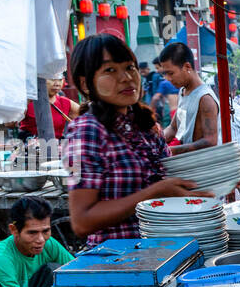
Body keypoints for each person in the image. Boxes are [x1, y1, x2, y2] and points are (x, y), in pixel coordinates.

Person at [63, 34, 202, 246]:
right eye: (110, 70)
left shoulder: (145, 126)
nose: (126, 77)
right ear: (85, 82)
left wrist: (213, 181)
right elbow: (82, 221)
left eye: (129, 67)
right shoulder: (85, 132)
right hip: (117, 263)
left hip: (164, 249)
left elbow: (169, 181)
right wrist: (154, 193)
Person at [157, 41, 219, 155]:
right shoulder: (183, 91)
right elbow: (173, 128)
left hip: (203, 165)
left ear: (187, 67)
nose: (168, 79)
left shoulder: (205, 98)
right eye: (165, 74)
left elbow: (210, 141)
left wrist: (170, 150)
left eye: (170, 73)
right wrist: (154, 142)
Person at [149, 58, 179, 126]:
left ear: (163, 66)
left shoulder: (164, 83)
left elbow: (155, 98)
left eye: (157, 68)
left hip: (171, 111)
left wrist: (150, 109)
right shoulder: (179, 81)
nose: (157, 71)